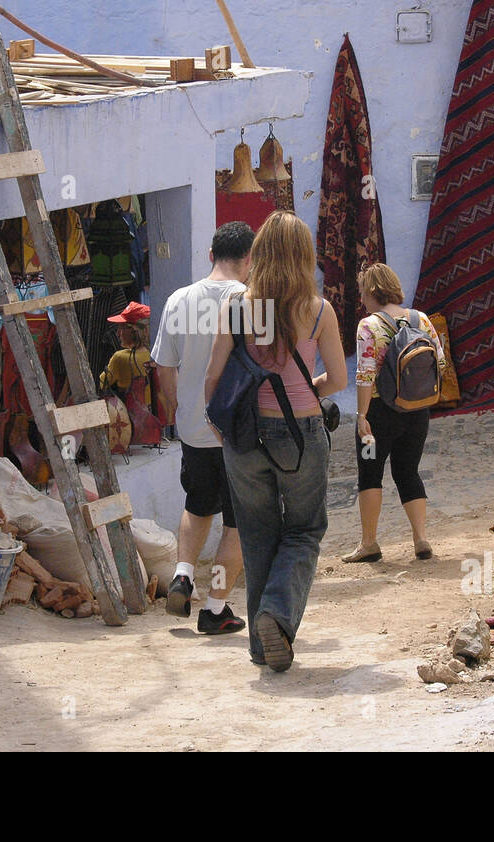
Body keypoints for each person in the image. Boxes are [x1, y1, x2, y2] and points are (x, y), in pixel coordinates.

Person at [204, 211, 347, 671]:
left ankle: (262, 648)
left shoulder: (238, 307)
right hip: (302, 432)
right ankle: (277, 616)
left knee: (257, 534)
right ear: (304, 256)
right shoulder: (319, 310)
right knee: (305, 530)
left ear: (260, 252)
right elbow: (339, 378)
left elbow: (214, 375)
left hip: (244, 434)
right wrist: (305, 391)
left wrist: (218, 423)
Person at [150, 222, 255, 634]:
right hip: (238, 430)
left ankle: (182, 575)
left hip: (194, 427)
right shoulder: (248, 301)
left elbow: (163, 365)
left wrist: (178, 408)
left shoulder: (178, 299)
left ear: (211, 255)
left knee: (197, 506)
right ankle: (215, 608)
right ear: (248, 260)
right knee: (238, 521)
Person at [343, 262, 441, 563]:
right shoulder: (421, 319)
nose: (361, 298)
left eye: (362, 292)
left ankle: (369, 543)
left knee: (370, 473)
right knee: (408, 470)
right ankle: (420, 538)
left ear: (372, 291)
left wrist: (361, 416)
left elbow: (365, 374)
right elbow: (441, 361)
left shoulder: (368, 326)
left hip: (378, 416)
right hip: (416, 411)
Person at [99, 301, 153, 406]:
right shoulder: (157, 353)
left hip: (132, 417)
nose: (117, 333)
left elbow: (102, 384)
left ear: (135, 330)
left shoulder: (119, 358)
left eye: (121, 328)